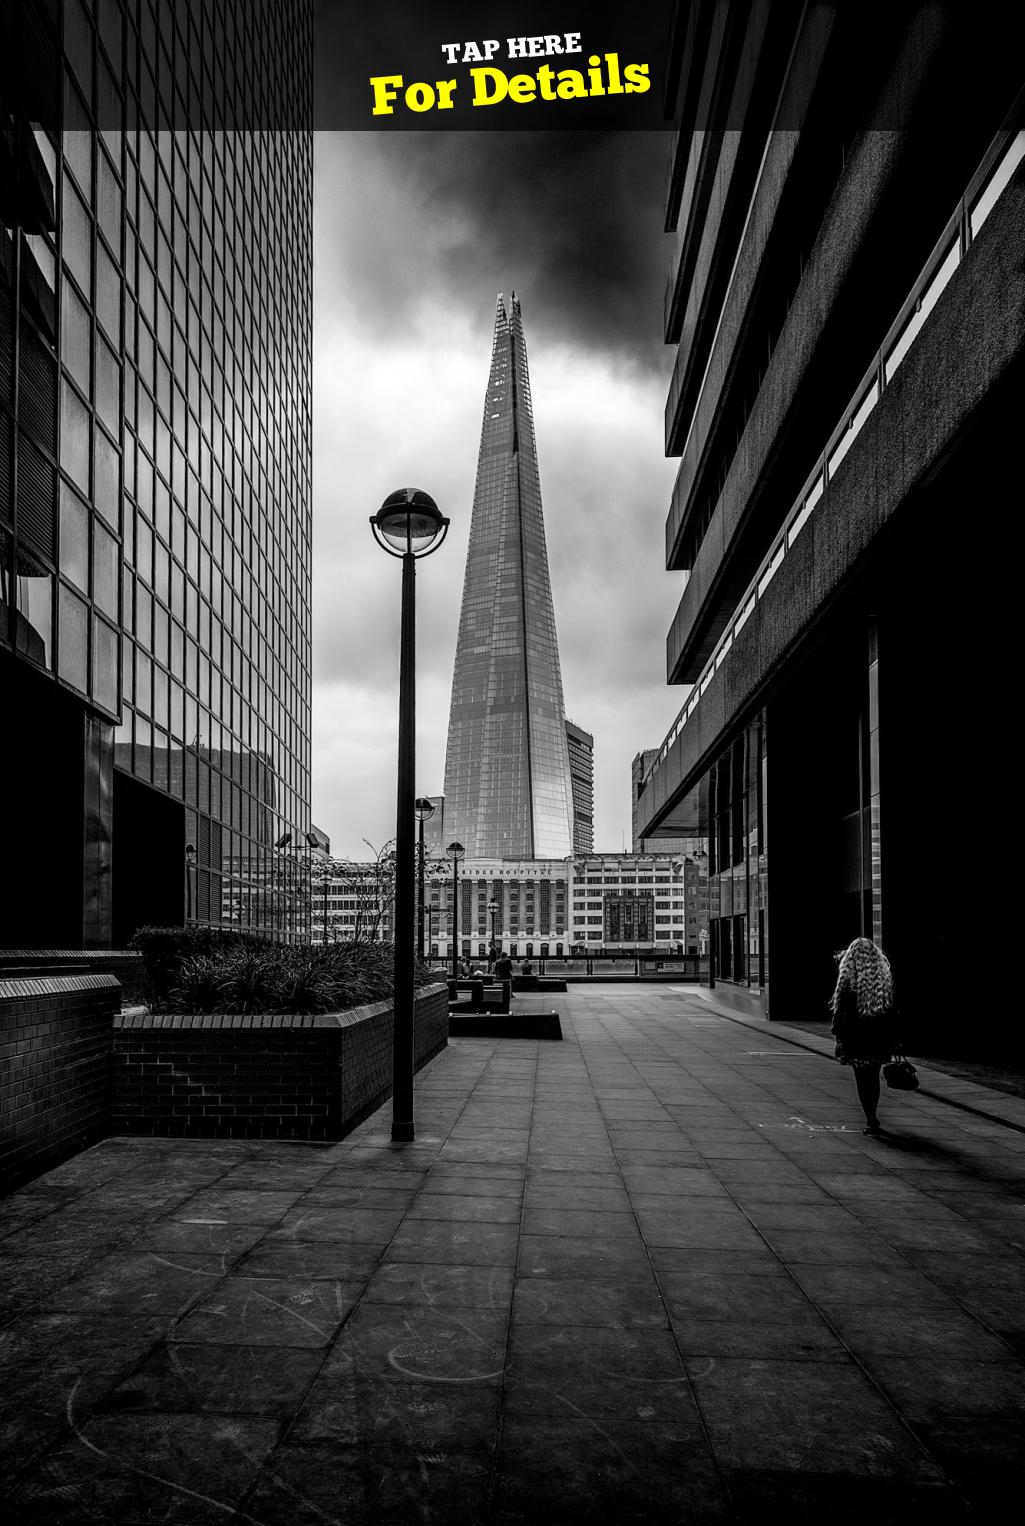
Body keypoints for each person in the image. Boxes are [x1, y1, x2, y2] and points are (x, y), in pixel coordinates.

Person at [829, 937, 901, 1136]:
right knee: (873, 1078)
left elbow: (840, 1013)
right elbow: (892, 1012)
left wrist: (838, 1035)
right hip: (879, 1039)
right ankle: (873, 1115)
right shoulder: (884, 979)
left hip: (856, 1040)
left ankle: (871, 1118)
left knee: (862, 1079)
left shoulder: (847, 980)